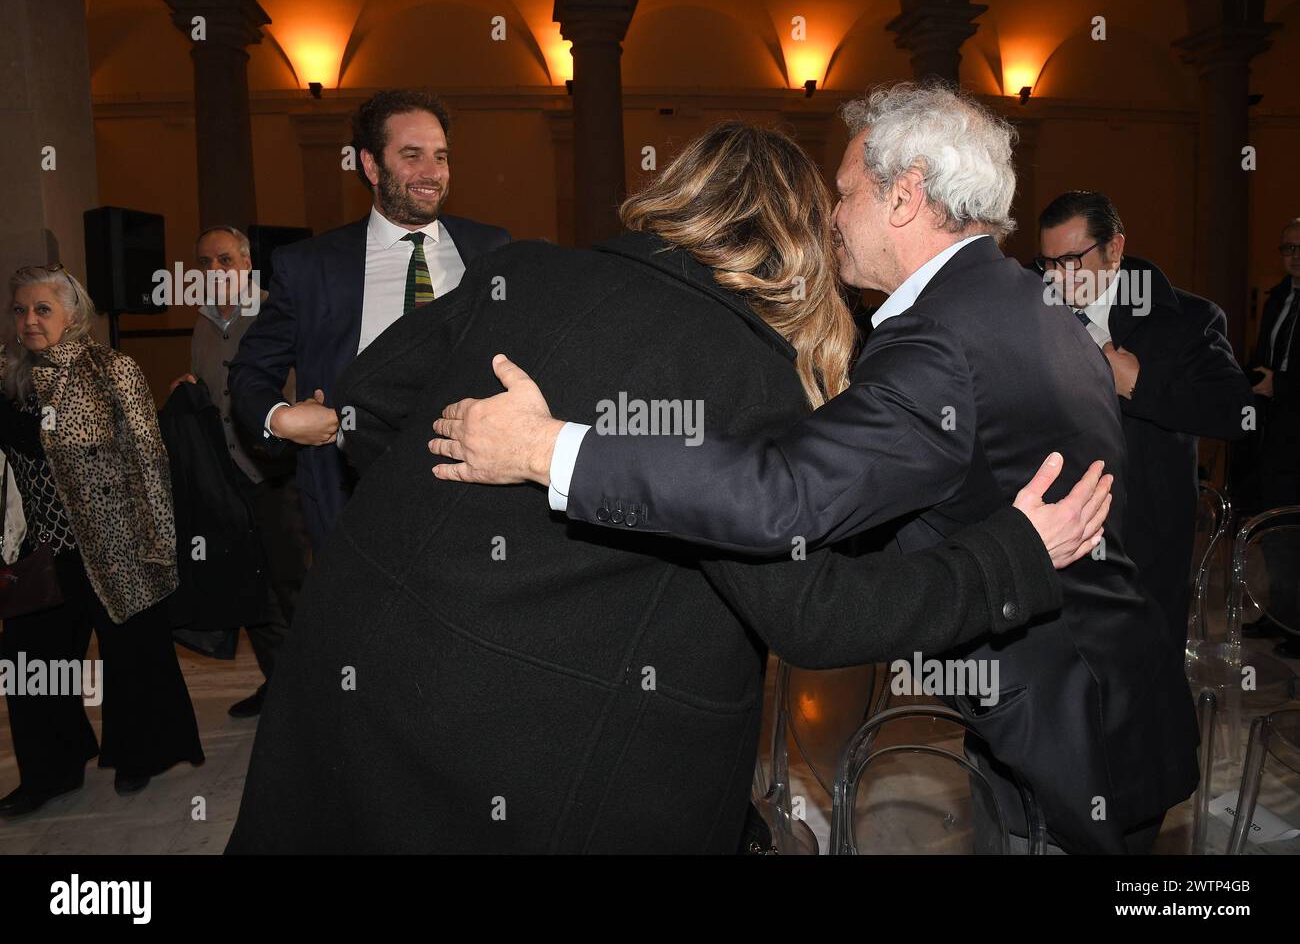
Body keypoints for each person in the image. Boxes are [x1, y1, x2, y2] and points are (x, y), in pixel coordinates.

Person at [225, 122, 1108, 853]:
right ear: (799, 241)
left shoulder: (520, 269)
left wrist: (463, 527)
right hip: (525, 753)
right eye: (832, 206)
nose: (843, 220)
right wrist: (1009, 558)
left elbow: (371, 403)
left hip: (350, 675)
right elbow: (817, 616)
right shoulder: (755, 378)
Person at [430, 83, 1200, 854]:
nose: (830, 214)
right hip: (1114, 693)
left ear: (904, 197)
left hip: (1061, 730)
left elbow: (782, 495)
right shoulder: (1027, 304)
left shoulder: (940, 342)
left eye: (844, 191)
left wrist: (549, 449)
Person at [228, 89, 512, 552]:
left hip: (472, 489)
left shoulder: (491, 249)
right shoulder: (310, 266)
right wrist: (279, 418)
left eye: (440, 156)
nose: (431, 172)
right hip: (356, 497)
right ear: (371, 165)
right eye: (412, 155)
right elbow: (250, 372)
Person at [0, 265, 203, 818]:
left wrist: (159, 544)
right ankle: (49, 772)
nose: (30, 320)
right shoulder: (7, 378)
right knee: (32, 664)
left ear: (73, 313)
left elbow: (149, 462)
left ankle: (139, 755)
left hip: (115, 544)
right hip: (39, 552)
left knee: (131, 657)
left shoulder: (112, 370)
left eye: (43, 308)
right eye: (20, 309)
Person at [1036, 190, 1254, 649]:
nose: (1060, 276)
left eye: (1074, 259)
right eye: (1049, 263)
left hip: (1144, 542)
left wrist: (1139, 386)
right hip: (1054, 535)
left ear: (1115, 248)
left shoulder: (1186, 318)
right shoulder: (1036, 312)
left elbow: (1238, 414)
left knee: (1145, 683)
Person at [170, 225, 308, 718]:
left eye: (224, 259)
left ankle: (319, 697)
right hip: (228, 480)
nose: (214, 271)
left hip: (279, 475)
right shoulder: (203, 325)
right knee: (250, 587)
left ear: (247, 264)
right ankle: (278, 686)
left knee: (296, 585)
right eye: (204, 263)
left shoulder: (280, 311)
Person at [1242, 217, 1300, 654]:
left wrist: (1280, 384)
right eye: (1287, 249)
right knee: (1276, 525)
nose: (1293, 257)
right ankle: (1280, 613)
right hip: (1276, 431)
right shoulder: (1279, 295)